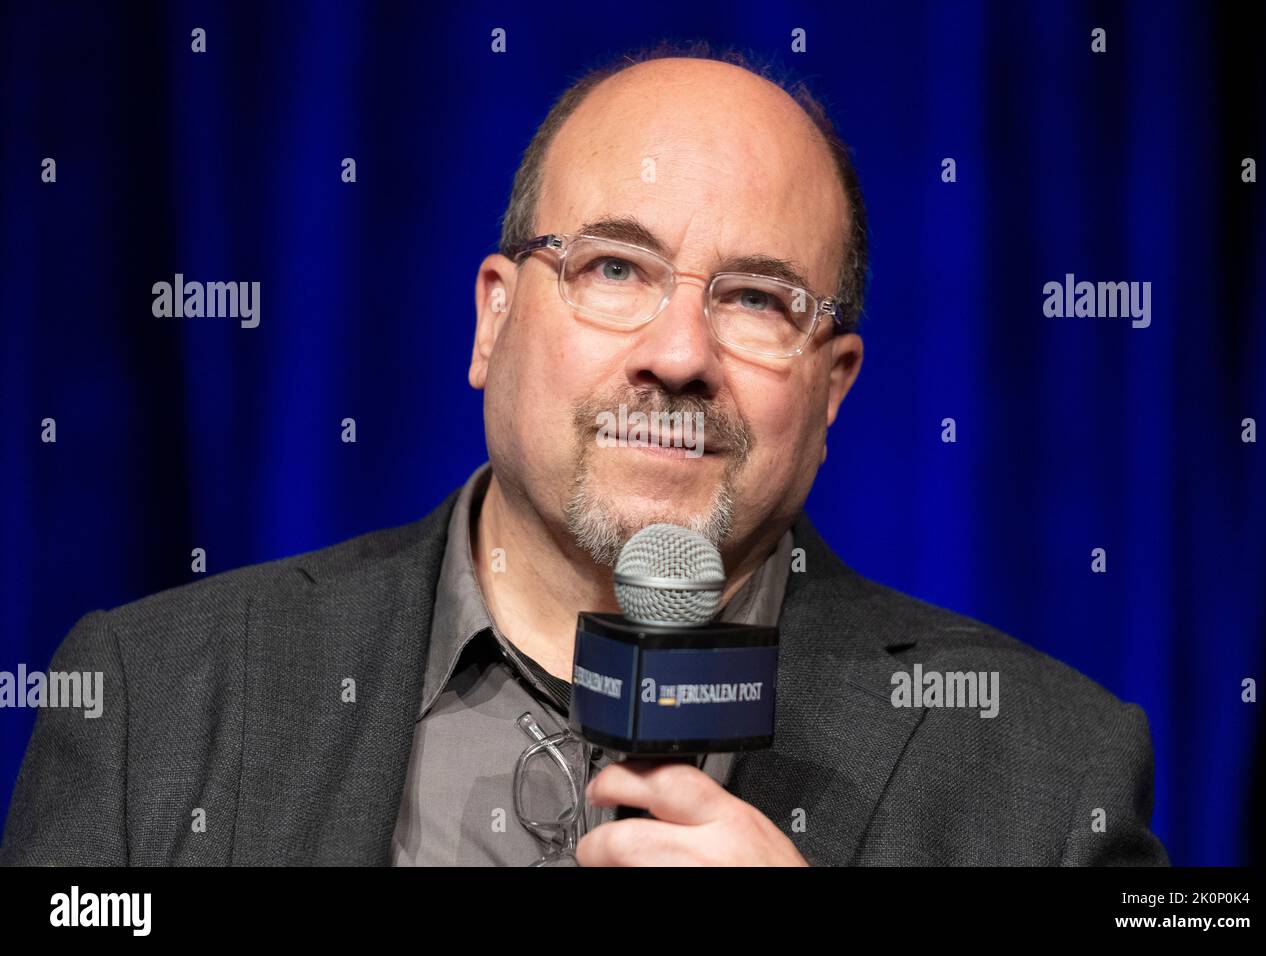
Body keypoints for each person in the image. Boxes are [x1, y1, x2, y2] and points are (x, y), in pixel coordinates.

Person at [0, 44, 1168, 866]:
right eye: (614, 268)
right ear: (493, 317)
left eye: (757, 298)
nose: (676, 352)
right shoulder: (153, 702)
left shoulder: (1044, 769)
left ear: (832, 387)